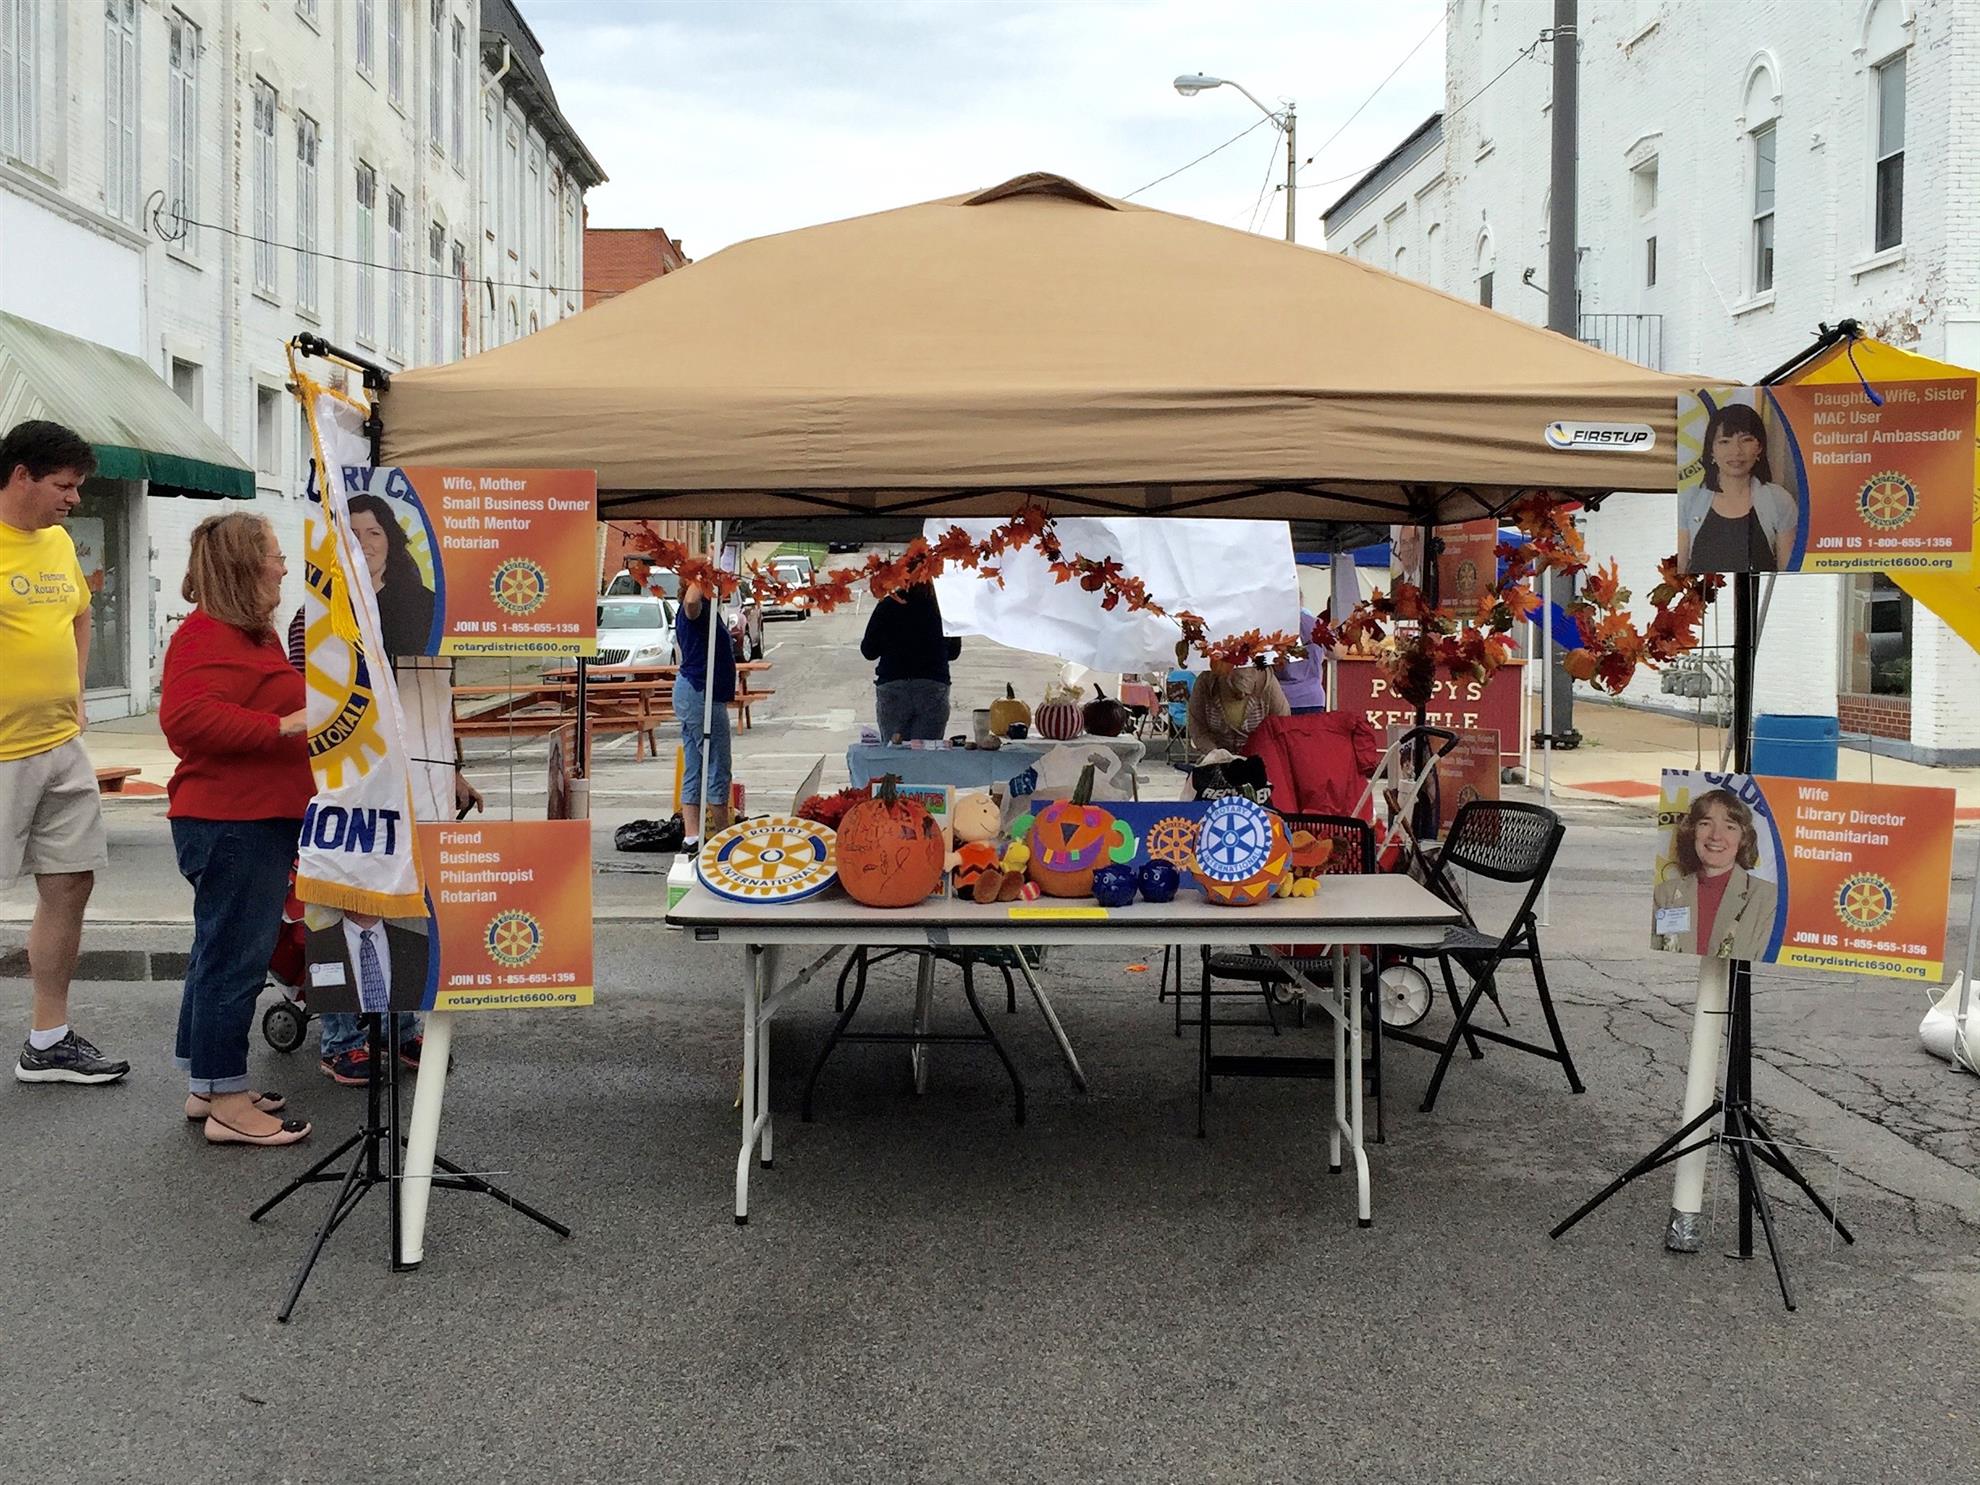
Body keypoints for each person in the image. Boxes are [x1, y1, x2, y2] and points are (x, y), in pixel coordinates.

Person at [159, 512, 314, 1146]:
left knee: (217, 954)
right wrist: (282, 727)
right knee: (235, 961)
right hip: (233, 820)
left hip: (247, 816)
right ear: (245, 566)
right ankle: (227, 1103)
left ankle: (210, 1083)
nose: (284, 566)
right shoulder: (206, 635)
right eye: (275, 556)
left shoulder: (250, 635)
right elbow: (186, 719)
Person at [286, 606, 469, 1084]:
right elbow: (313, 703)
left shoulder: (403, 612)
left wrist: (454, 771)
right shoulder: (318, 614)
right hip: (344, 783)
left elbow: (429, 704)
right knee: (342, 900)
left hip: (400, 781)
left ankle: (400, 1027)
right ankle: (343, 1040)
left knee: (401, 903)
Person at [2, 420, 128, 1086]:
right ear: (21, 475)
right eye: (65, 485)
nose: (75, 499)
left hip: (59, 745)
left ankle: (47, 1040)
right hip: (2, 755)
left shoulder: (54, 544)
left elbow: (79, 611)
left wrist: (76, 691)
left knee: (71, 881)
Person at [1652, 786, 1778, 961]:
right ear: (1692, 832)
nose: (1716, 836)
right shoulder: (1664, 894)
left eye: (1729, 827)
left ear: (1743, 838)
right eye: (1705, 824)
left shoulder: (1769, 898)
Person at [1678, 403, 1798, 574]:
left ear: (1760, 447)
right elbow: (1680, 566)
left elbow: (1788, 572)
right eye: (1725, 441)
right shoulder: (1688, 500)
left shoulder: (1779, 499)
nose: (1736, 451)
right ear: (1711, 450)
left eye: (1746, 440)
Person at [675, 579, 735, 848]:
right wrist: (702, 571)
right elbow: (690, 601)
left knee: (695, 764)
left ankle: (692, 836)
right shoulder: (695, 609)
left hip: (697, 691)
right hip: (701, 692)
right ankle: (723, 836)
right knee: (717, 762)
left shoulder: (709, 608)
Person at [860, 581, 961, 741]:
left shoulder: (888, 606)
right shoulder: (943, 608)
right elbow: (954, 652)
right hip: (932, 685)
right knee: (926, 754)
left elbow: (869, 651)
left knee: (895, 754)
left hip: (893, 683)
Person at [347, 493, 435, 659]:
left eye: (373, 533)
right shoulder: (325, 603)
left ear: (390, 539)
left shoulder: (422, 603)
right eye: (353, 534)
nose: (362, 544)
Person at [303, 911, 432, 1017]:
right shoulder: (316, 946)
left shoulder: (418, 945)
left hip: (398, 1039)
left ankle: (403, 1033)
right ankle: (344, 1042)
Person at [1187, 659, 1290, 757]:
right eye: (1234, 692)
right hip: (1215, 755)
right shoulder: (1205, 683)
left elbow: (1281, 727)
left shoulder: (1269, 685)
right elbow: (1198, 728)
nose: (1241, 695)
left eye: (1247, 693)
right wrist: (1214, 753)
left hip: (1259, 756)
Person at [1274, 610, 1327, 714]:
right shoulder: (1314, 623)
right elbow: (1337, 652)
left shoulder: (1270, 623)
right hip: (1312, 698)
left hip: (1279, 698)